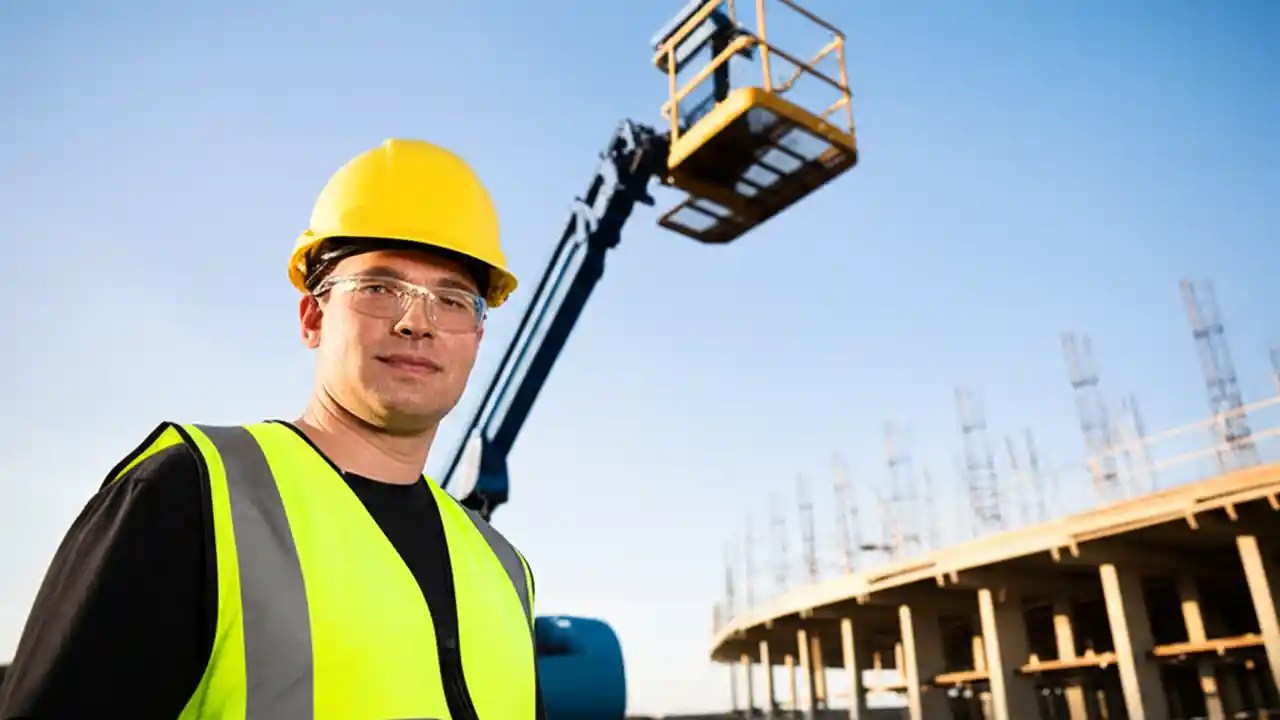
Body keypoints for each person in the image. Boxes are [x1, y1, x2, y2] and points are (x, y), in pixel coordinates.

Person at [0, 138, 545, 719]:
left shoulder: (505, 569)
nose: (417, 322)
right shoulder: (190, 498)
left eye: (453, 299)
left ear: (478, 337)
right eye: (379, 289)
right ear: (313, 317)